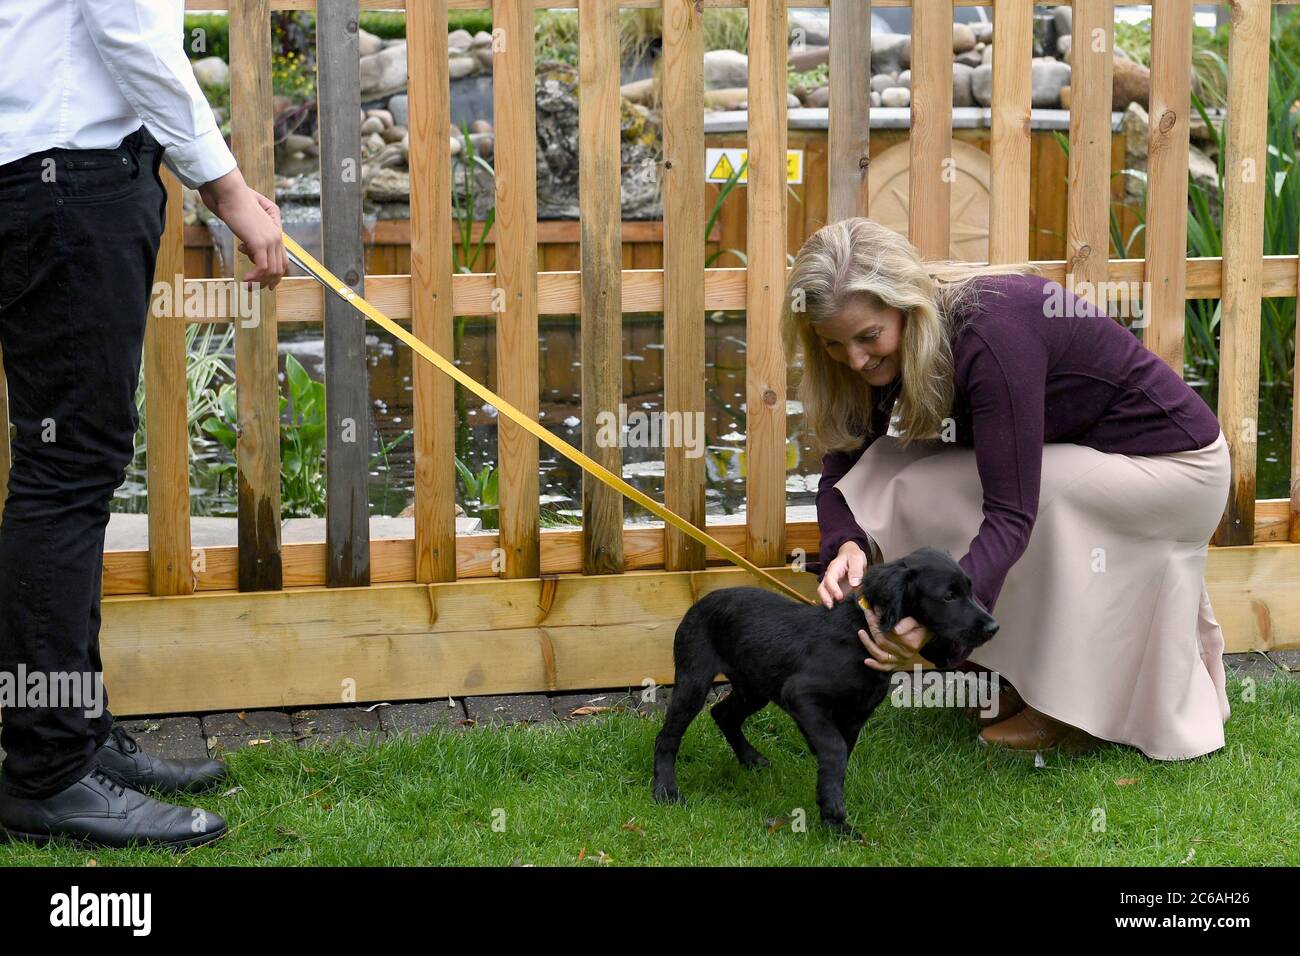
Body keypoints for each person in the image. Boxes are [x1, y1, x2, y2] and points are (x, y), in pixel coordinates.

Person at [0, 0, 285, 848]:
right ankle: (47, 770)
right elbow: (126, 27)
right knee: (64, 475)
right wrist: (225, 186)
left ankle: (72, 737)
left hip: (51, 171)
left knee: (62, 470)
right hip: (67, 178)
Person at [791, 218, 1231, 760]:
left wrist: (937, 631)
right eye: (835, 346)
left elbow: (1010, 516)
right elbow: (850, 465)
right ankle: (1004, 675)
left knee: (1046, 496)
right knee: (904, 476)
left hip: (1175, 471)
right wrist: (845, 543)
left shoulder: (991, 337)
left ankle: (1066, 705)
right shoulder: (893, 348)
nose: (856, 360)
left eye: (867, 337)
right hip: (1096, 462)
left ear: (907, 308)